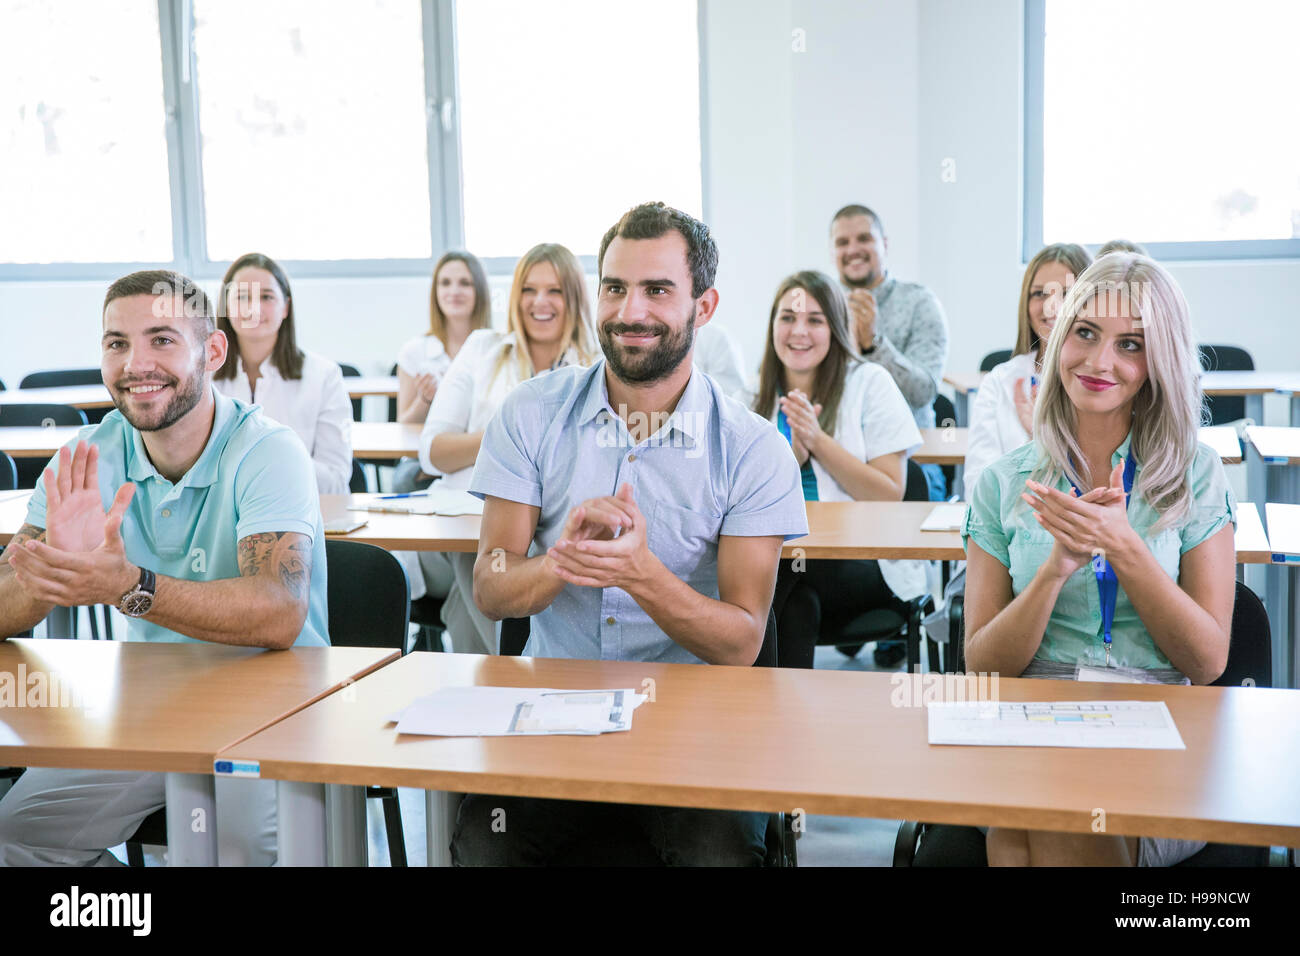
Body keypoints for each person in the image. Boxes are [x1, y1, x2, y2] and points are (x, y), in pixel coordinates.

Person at [452, 202, 807, 865]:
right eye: (615, 287)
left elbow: (741, 642)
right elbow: (493, 590)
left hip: (697, 729)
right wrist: (562, 560)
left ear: (703, 307)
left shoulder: (754, 451)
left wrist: (640, 573)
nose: (630, 311)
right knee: (484, 844)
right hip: (554, 716)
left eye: (657, 290)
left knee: (718, 855)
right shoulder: (529, 416)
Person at [0, 270, 330, 866]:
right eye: (117, 343)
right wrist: (45, 575)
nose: (136, 364)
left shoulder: (268, 451)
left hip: (274, 710)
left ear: (214, 350)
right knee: (14, 834)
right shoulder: (86, 455)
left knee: (239, 855)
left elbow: (280, 612)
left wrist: (130, 587)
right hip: (150, 709)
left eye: (162, 340)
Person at [963, 253, 1235, 866]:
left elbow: (1209, 659)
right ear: (1059, 339)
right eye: (1084, 333)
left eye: (1131, 345)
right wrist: (1055, 569)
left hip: (1160, 719)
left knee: (1037, 826)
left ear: (1159, 362)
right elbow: (983, 663)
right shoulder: (1005, 483)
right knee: (1034, 816)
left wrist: (1124, 546)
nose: (1099, 362)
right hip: (1031, 714)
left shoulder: (1198, 475)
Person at [416, 243, 597, 654]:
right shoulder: (482, 348)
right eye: (529, 290)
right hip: (461, 516)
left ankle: (480, 692)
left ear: (575, 298)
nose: (540, 302)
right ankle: (511, 670)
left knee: (467, 604)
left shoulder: (596, 364)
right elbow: (433, 451)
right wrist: (510, 437)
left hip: (549, 524)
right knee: (479, 559)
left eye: (555, 291)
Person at [753, 271, 924, 669]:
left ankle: (742, 710)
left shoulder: (870, 383)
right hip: (792, 568)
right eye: (787, 318)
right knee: (795, 602)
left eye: (815, 319)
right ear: (772, 326)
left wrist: (817, 441)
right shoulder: (752, 397)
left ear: (836, 328)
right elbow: (739, 502)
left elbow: (887, 493)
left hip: (866, 563)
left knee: (773, 585)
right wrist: (789, 463)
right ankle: (779, 725)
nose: (799, 331)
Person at [829, 204, 949, 499]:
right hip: (832, 463)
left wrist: (873, 344)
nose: (853, 249)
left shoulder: (919, 302)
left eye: (864, 239)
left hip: (910, 465)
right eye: (843, 243)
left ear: (884, 244)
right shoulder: (821, 307)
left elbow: (924, 392)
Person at [213, 252, 353, 495]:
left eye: (266, 297)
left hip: (300, 514)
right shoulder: (203, 376)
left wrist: (271, 456)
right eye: (242, 297)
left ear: (285, 307)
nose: (254, 308)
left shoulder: (324, 376)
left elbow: (335, 482)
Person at [964, 243, 1092, 499]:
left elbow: (1103, 489)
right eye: (1039, 294)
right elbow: (978, 489)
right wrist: (1035, 445)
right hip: (1011, 531)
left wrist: (1048, 441)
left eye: (1066, 293)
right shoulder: (999, 382)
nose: (1051, 306)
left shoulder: (1103, 381)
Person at [395, 251, 492, 426]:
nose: (454, 291)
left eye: (465, 283)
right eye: (445, 283)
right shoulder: (414, 351)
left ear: (479, 290)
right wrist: (425, 400)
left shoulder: (496, 349)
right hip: (425, 452)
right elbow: (404, 425)